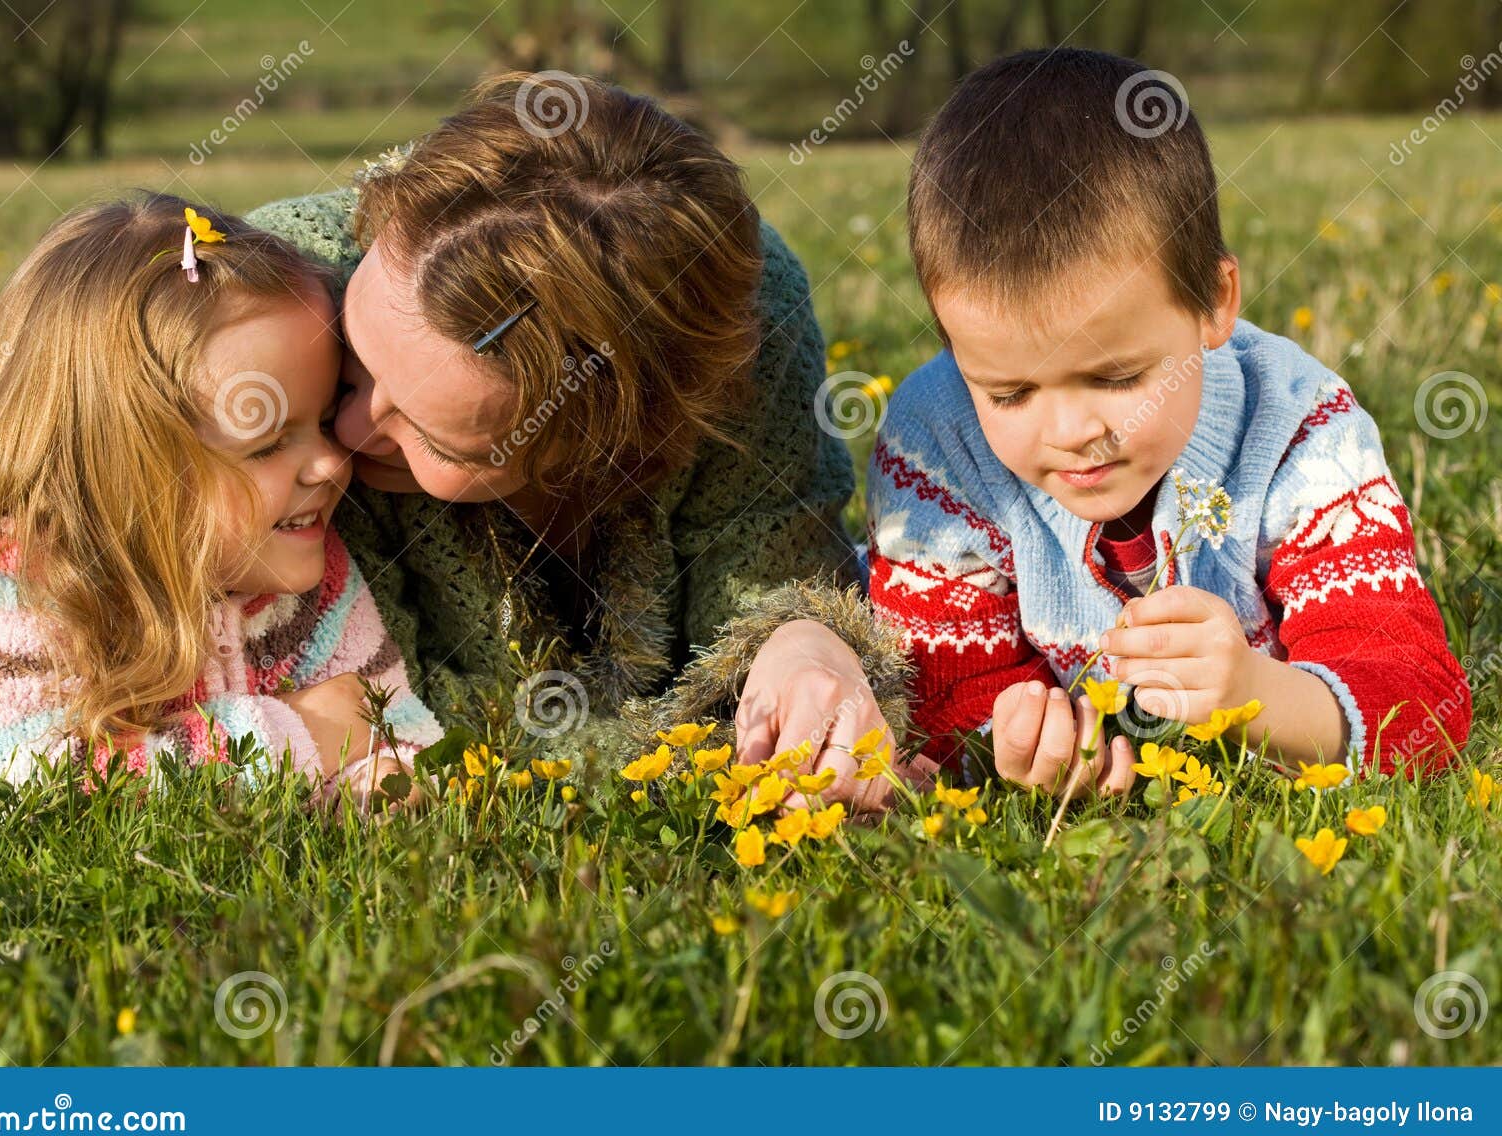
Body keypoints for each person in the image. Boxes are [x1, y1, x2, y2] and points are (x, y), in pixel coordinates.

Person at [247, 73, 913, 809]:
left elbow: (772, 560)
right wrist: (719, 754)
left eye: (438, 438)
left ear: (610, 443)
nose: (344, 431)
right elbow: (390, 710)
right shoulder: (272, 307)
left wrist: (802, 643)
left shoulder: (745, 326)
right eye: (356, 360)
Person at [868, 48, 1470, 795]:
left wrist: (1259, 694)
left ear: (1215, 303)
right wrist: (1017, 741)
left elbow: (1418, 698)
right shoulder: (936, 447)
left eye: (1117, 377)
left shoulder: (1299, 430)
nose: (1072, 430)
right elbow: (940, 687)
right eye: (1010, 393)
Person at [0, 194, 441, 809]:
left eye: (323, 419)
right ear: (114, 468)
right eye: (266, 446)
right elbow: (8, 784)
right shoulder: (4, 588)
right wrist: (301, 735)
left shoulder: (305, 578)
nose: (327, 462)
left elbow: (390, 724)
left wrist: (377, 788)